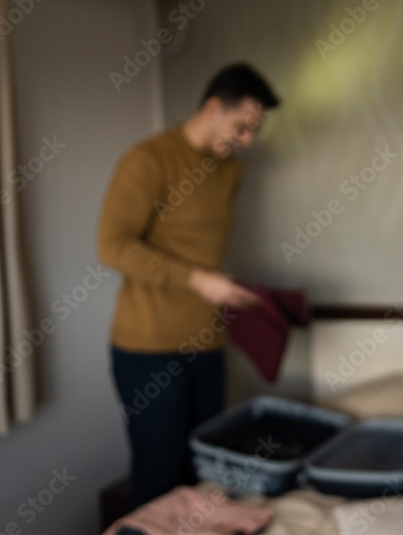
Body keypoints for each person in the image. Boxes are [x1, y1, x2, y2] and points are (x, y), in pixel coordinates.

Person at [98, 63, 279, 507]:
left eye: (254, 132)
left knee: (206, 476)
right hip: (148, 350)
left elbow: (196, 249)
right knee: (160, 478)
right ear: (213, 108)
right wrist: (198, 281)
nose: (247, 141)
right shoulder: (147, 160)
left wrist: (228, 290)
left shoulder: (229, 171)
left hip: (208, 347)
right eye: (242, 127)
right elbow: (112, 245)